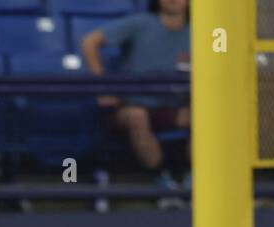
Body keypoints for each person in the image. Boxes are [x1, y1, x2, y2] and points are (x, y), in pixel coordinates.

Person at [81, 0, 191, 185]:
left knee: (206, 116)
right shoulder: (139, 23)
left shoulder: (203, 30)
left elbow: (223, 53)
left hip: (176, 107)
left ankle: (195, 176)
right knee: (137, 116)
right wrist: (102, 87)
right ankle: (160, 177)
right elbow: (89, 41)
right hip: (132, 105)